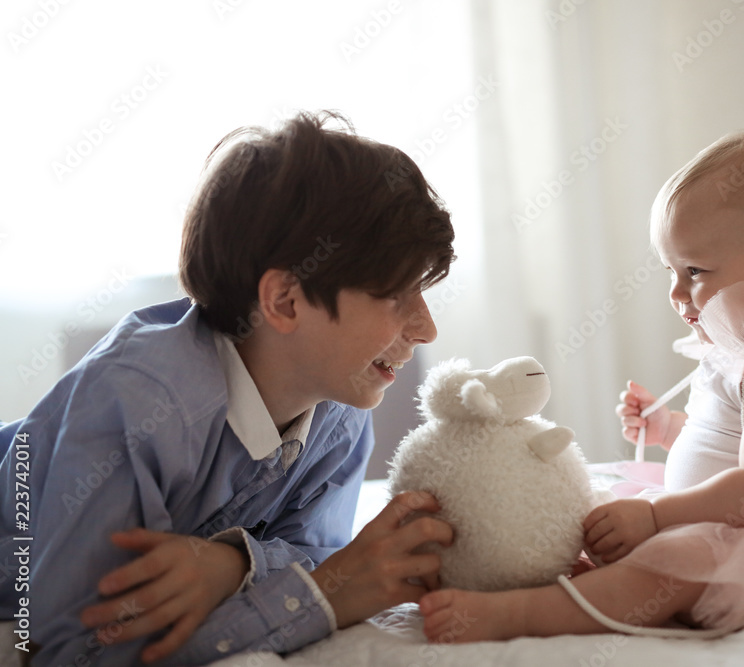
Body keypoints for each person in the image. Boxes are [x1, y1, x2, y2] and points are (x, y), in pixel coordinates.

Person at [419, 130, 744, 641]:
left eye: (695, 270)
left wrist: (657, 515)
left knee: (671, 566)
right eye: (670, 271)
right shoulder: (737, 347)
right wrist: (668, 429)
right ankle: (550, 574)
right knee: (597, 512)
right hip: (722, 516)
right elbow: (728, 442)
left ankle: (520, 615)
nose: (677, 293)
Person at [0, 110, 456, 665]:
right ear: (285, 301)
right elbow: (71, 653)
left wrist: (235, 563)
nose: (427, 328)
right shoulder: (139, 402)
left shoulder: (338, 409)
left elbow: (318, 550)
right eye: (396, 295)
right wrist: (320, 601)